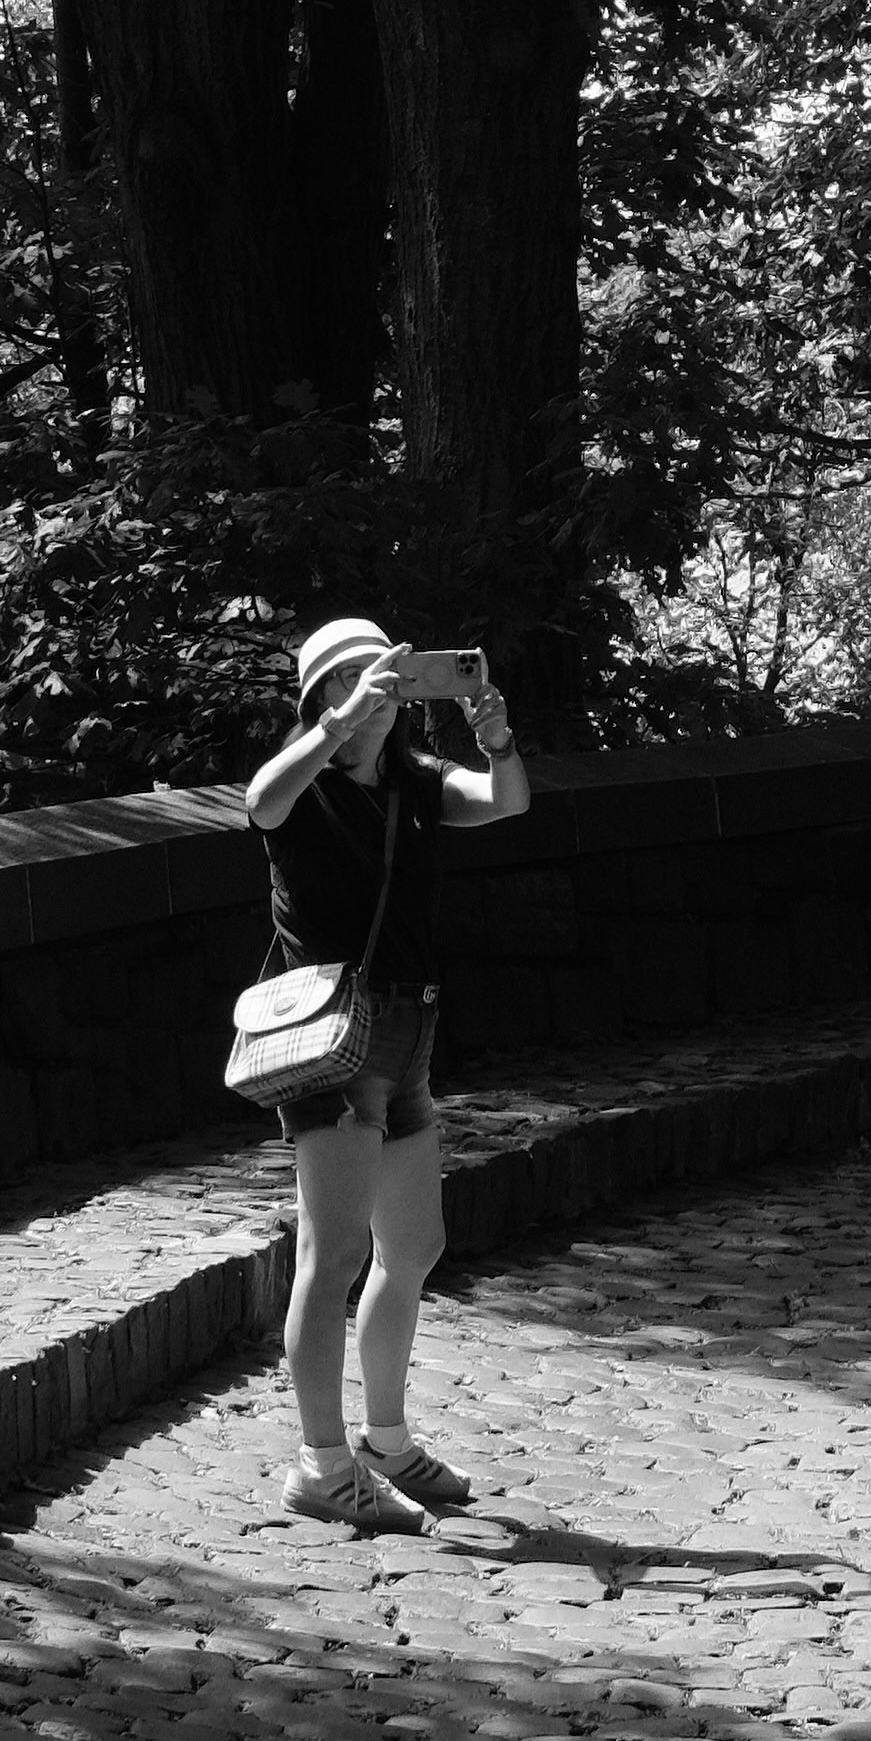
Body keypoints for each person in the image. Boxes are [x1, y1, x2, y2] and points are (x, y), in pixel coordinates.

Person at [241, 613, 529, 1535]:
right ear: (321, 691)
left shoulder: (412, 782)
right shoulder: (308, 781)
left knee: (411, 1249)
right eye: (354, 679)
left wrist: (497, 741)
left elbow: (506, 802)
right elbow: (259, 804)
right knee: (332, 1260)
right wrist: (334, 726)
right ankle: (322, 1467)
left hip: (409, 1029)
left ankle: (387, 1442)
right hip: (333, 1038)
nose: (377, 694)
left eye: (387, 679)